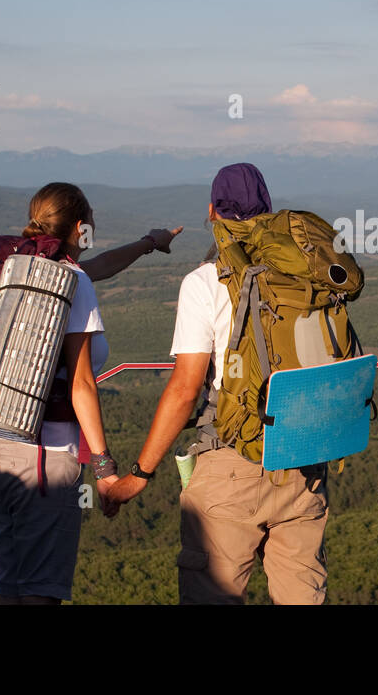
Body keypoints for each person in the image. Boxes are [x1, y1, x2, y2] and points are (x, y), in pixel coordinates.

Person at [107, 164, 330, 604]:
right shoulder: (308, 274)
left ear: (213, 213)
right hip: (304, 459)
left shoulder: (205, 282)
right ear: (268, 211)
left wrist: (139, 474)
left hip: (231, 461)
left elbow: (185, 388)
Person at [0, 181, 182, 604]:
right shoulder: (73, 283)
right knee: (40, 594)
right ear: (80, 227)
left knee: (9, 587)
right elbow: (82, 384)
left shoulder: (17, 268)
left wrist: (149, 243)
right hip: (45, 463)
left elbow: (100, 265)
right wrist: (106, 471)